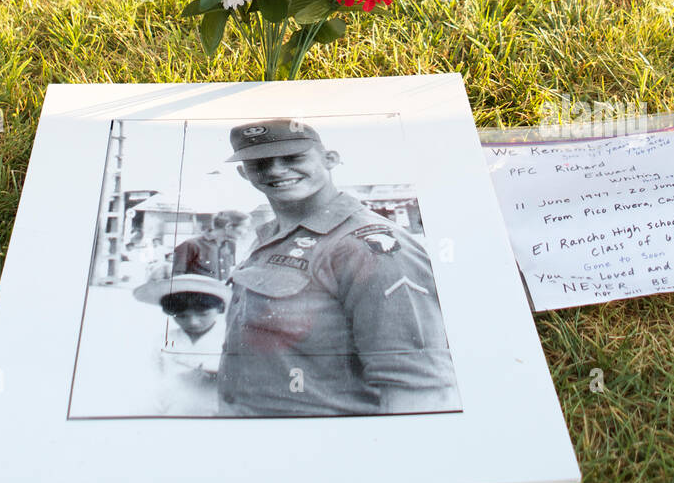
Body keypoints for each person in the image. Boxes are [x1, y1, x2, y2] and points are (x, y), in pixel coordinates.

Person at [216, 118, 460, 417]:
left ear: (330, 159)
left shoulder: (368, 246)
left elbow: (417, 386)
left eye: (293, 157)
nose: (276, 170)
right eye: (260, 162)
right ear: (243, 172)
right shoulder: (269, 236)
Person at [132, 273, 228, 415]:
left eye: (203, 314)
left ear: (219, 308)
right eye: (182, 316)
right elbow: (152, 381)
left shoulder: (229, 339)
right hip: (171, 411)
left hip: (217, 413)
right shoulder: (162, 341)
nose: (193, 322)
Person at [171, 210, 253, 281]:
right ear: (229, 226)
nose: (245, 232)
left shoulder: (231, 245)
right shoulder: (190, 245)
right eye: (245, 227)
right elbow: (177, 278)